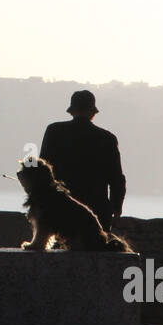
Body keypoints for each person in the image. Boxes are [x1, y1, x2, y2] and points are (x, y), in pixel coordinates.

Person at [39, 89, 126, 229]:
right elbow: (117, 179)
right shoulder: (107, 138)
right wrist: (116, 209)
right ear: (93, 113)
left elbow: (42, 170)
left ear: (71, 111)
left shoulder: (54, 131)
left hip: (60, 209)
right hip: (97, 212)